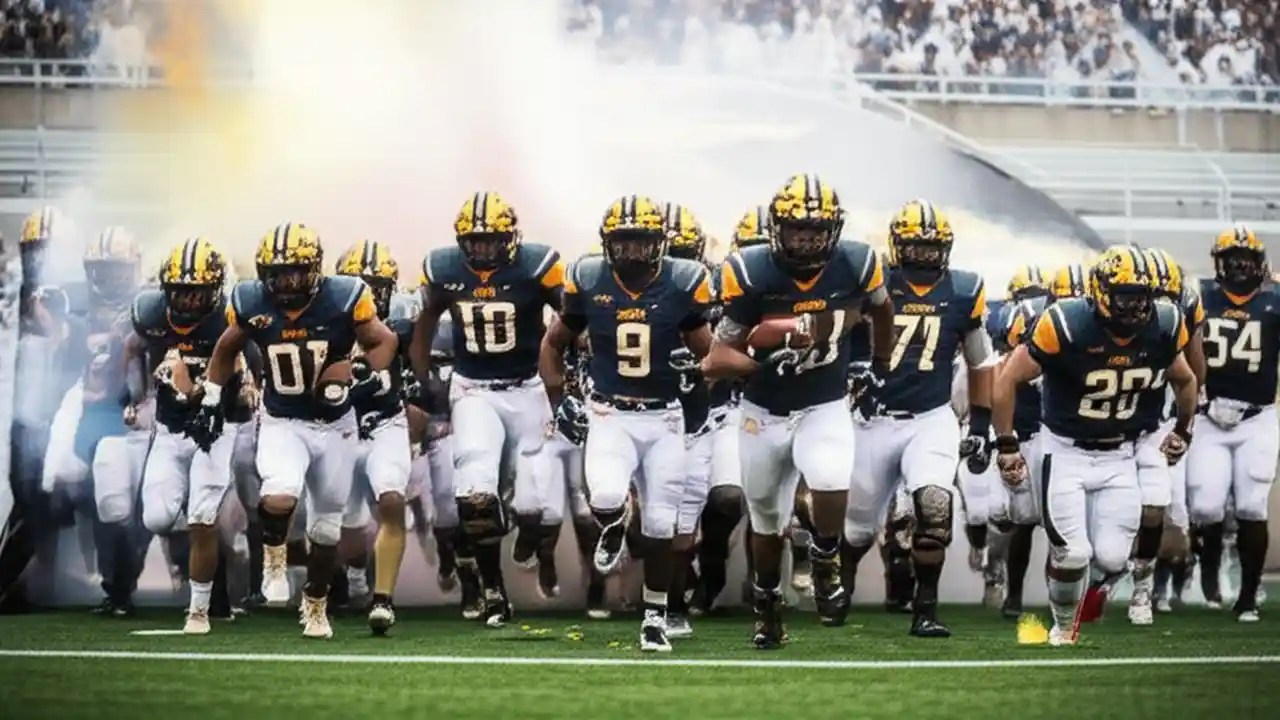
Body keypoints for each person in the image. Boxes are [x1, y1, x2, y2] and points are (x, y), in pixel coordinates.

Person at [701, 173, 893, 650]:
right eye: (797, 230)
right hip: (763, 409)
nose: (806, 240)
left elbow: (882, 310)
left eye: (815, 230)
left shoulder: (857, 263)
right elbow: (716, 358)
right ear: (776, 229)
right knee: (766, 520)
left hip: (823, 402)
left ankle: (826, 555)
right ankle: (767, 607)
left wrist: (879, 362)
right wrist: (757, 360)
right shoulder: (751, 272)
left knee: (829, 475)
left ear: (833, 230)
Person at [186, 222, 398, 640]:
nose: (286, 282)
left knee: (325, 531)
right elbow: (226, 348)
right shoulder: (251, 300)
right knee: (278, 495)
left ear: (314, 269)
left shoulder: (343, 297)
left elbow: (383, 341)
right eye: (278, 273)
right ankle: (274, 557)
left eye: (294, 272)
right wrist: (211, 394)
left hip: (336, 425)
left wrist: (365, 373)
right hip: (284, 420)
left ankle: (316, 605)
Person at [994, 245, 1197, 646]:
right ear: (1101, 293)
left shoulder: (1165, 323)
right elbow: (1006, 380)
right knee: (1072, 553)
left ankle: (1087, 597)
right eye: (1125, 295)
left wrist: (1184, 429)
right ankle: (1063, 627)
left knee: (1112, 558)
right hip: (1065, 450)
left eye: (1142, 296)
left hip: (1120, 453)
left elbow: (1186, 379)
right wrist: (1006, 444)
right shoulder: (1066, 324)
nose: (1135, 306)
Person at [540, 193, 714, 653]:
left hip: (665, 419)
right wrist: (560, 402)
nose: (633, 252)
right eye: (624, 242)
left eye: (642, 242)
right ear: (607, 244)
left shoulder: (682, 282)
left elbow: (709, 355)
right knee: (605, 494)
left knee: (661, 525)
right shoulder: (587, 279)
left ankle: (654, 617)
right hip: (609, 413)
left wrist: (695, 368)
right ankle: (614, 522)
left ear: (659, 243)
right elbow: (553, 344)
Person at [409, 192, 566, 628]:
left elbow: (570, 321)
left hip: (528, 388)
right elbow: (422, 328)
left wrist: (564, 371)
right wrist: (426, 381)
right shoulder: (443, 269)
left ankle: (528, 536)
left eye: (491, 240)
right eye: (474, 241)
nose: (482, 250)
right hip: (474, 390)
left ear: (512, 238)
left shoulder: (538, 265)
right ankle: (493, 590)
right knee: (475, 493)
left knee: (535, 504)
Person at [842, 199, 995, 639]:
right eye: (916, 246)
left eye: (933, 247)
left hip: (930, 417)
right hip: (872, 418)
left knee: (934, 507)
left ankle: (925, 608)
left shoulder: (963, 290)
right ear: (896, 246)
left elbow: (980, 363)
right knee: (857, 527)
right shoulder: (875, 283)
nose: (925, 255)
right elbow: (847, 332)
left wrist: (981, 426)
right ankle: (841, 587)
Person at [134, 237, 257, 634]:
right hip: (171, 431)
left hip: (215, 429)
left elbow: (254, 368)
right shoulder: (150, 313)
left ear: (215, 290)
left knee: (203, 517)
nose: (187, 302)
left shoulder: (230, 319)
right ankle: (211, 564)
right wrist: (134, 392)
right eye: (180, 293)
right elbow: (131, 349)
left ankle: (200, 610)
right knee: (156, 517)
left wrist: (243, 390)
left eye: (196, 293)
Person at [1186, 223, 1277, 623]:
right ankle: (1214, 555)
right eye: (1232, 260)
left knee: (1252, 507)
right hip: (1209, 415)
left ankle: (1249, 593)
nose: (1240, 266)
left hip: (1257, 417)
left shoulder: (1275, 301)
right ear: (1218, 264)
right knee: (1205, 507)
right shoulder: (1200, 297)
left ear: (1260, 263)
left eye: (1247, 259)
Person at [333, 239, 414, 635]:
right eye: (358, 285)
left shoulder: (401, 322)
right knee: (346, 526)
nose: (367, 293)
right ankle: (354, 578)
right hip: (340, 429)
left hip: (385, 423)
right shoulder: (327, 321)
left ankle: (383, 600)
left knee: (392, 500)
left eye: (375, 285)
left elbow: (423, 370)